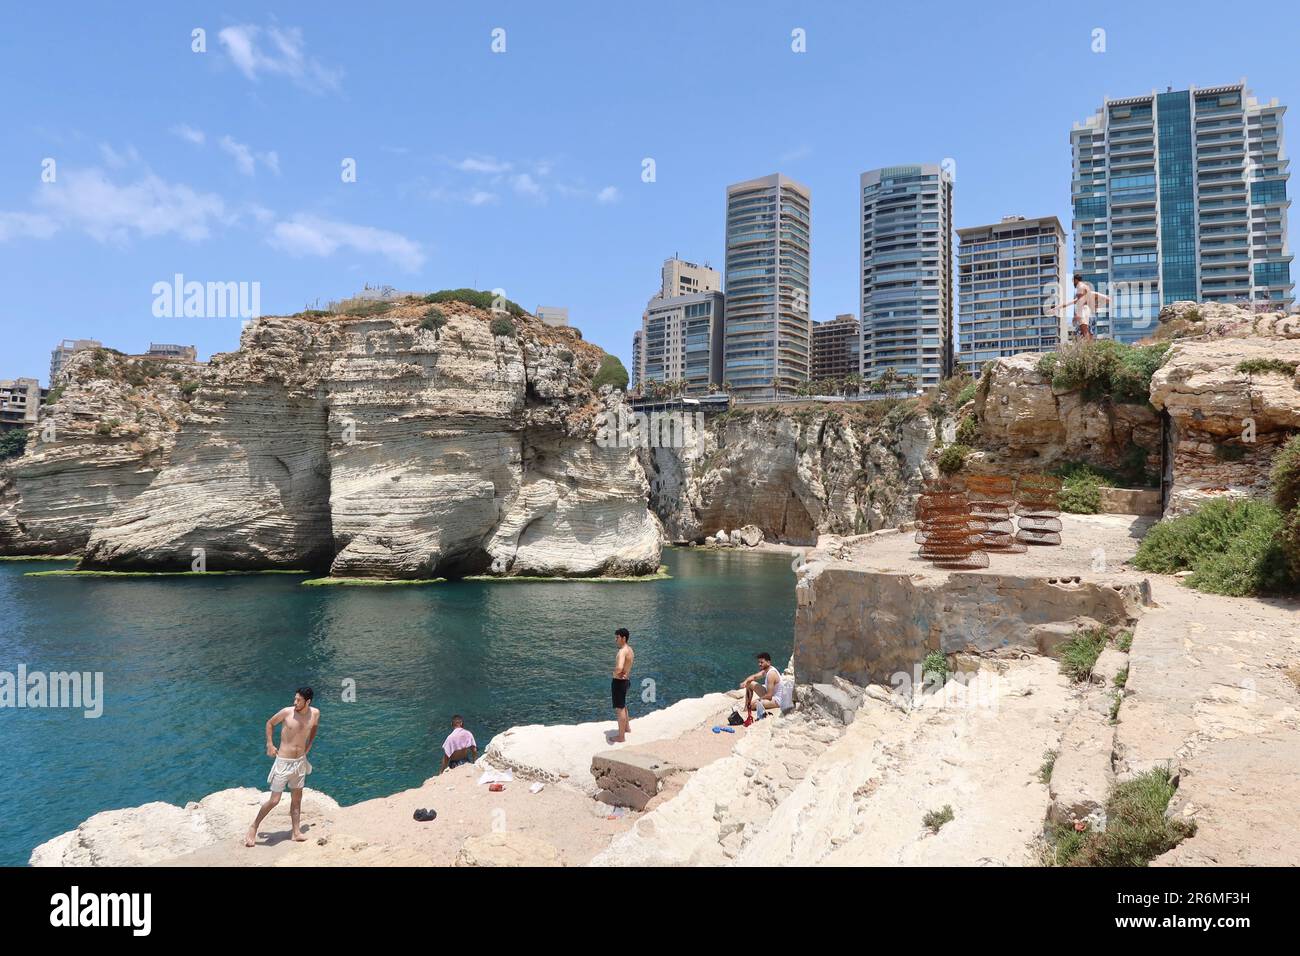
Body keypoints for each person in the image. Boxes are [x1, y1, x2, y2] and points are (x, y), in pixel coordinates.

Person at [245, 687, 320, 848]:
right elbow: (270, 723)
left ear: (308, 701)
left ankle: (296, 832)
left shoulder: (315, 713)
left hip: (300, 762)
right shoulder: (287, 712)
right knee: (274, 800)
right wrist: (270, 744)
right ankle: (254, 826)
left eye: (298, 700)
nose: (295, 702)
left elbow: (314, 727)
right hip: (284, 762)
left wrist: (309, 745)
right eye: (295, 699)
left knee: (297, 799)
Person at [741, 653, 785, 721]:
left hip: (777, 700)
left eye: (761, 662)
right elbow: (754, 677)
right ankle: (746, 708)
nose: (759, 664)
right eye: (759, 662)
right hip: (770, 695)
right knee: (749, 683)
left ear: (768, 662)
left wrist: (757, 699)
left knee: (753, 704)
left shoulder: (771, 674)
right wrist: (745, 682)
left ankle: (749, 706)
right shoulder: (765, 671)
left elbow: (769, 696)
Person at [1066, 273, 1110, 341]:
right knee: (1088, 337)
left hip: (1086, 316)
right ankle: (1089, 349)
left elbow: (1108, 299)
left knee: (1085, 336)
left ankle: (1088, 349)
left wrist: (1097, 305)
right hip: (1090, 316)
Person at [610, 627, 635, 743]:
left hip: (619, 682)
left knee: (619, 709)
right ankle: (627, 728)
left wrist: (614, 673)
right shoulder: (630, 650)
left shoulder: (622, 651)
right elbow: (627, 666)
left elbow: (619, 667)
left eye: (617, 637)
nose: (616, 640)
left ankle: (621, 737)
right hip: (626, 681)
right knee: (623, 705)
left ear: (624, 638)